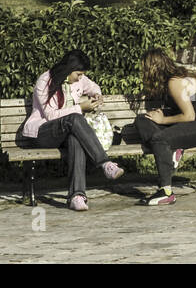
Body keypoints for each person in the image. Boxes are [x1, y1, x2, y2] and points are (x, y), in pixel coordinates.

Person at [19, 49, 125, 211]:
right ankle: (105, 163)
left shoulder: (78, 80)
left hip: (65, 131)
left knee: (75, 139)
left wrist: (97, 95)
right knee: (75, 118)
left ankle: (76, 196)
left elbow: (93, 86)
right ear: (68, 70)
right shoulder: (45, 81)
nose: (81, 78)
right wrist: (80, 107)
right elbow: (50, 115)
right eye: (79, 74)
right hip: (43, 132)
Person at [133, 48, 196, 206]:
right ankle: (170, 150)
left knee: (160, 138)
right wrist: (158, 117)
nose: (143, 72)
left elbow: (189, 116)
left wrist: (162, 120)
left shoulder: (175, 82)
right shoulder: (171, 81)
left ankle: (166, 192)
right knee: (142, 119)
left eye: (145, 68)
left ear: (153, 68)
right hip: (190, 125)